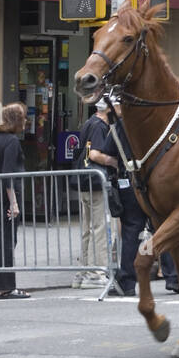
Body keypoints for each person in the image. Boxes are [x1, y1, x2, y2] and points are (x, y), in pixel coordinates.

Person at [0, 103, 28, 299]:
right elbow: (8, 173)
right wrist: (14, 203)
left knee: (0, 237)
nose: (26, 121)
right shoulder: (12, 141)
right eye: (23, 117)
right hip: (8, 192)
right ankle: (7, 287)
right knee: (8, 239)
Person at [74, 99, 115, 289]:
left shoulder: (90, 122)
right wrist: (115, 162)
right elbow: (95, 154)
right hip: (95, 181)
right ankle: (96, 272)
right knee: (100, 228)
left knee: (87, 228)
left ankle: (84, 272)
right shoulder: (100, 126)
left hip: (85, 181)